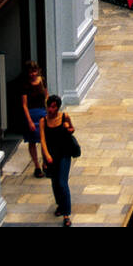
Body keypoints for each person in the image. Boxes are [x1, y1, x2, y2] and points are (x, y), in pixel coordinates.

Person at [39, 95, 76, 227]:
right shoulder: (43, 121)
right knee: (55, 183)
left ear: (58, 107)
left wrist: (68, 127)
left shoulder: (64, 117)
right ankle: (60, 205)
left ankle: (66, 214)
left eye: (53, 107)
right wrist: (46, 156)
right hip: (51, 155)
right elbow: (42, 140)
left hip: (64, 153)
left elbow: (72, 130)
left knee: (62, 182)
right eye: (49, 106)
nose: (50, 109)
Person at [20, 61, 48, 178]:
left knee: (44, 140)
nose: (33, 74)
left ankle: (45, 163)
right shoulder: (25, 85)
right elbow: (24, 105)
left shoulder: (42, 80)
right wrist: (29, 121)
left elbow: (46, 96)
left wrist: (49, 112)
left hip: (42, 113)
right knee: (32, 141)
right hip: (32, 114)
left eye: (34, 71)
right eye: (30, 72)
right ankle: (37, 166)